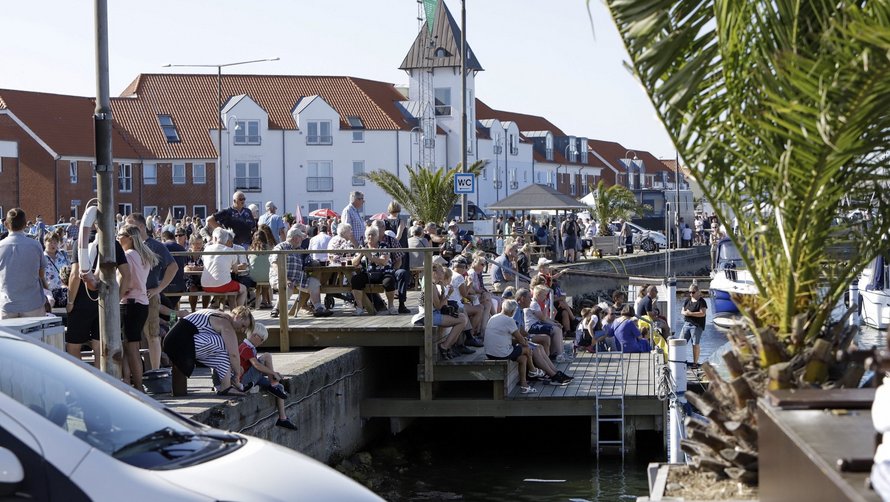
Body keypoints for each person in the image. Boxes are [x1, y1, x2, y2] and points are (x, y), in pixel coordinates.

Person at [65, 227, 131, 366]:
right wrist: (117, 298)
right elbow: (127, 275)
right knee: (99, 346)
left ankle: (79, 381)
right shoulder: (114, 244)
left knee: (74, 345)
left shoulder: (80, 243)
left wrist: (70, 301)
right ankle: (99, 381)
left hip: (81, 300)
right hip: (105, 300)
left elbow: (75, 275)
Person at [126, 213, 179, 371]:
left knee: (153, 334)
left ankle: (155, 371)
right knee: (133, 337)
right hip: (130, 296)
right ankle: (139, 371)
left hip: (149, 294)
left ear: (141, 227)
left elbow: (173, 266)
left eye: (131, 225)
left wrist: (159, 288)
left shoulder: (155, 245)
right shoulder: (128, 244)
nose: (127, 229)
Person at [163, 306, 254, 396]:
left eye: (244, 329)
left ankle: (225, 387)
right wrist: (237, 374)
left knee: (223, 350)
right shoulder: (225, 323)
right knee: (225, 345)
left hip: (174, 342)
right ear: (237, 316)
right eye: (243, 326)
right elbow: (233, 354)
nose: (242, 330)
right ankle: (229, 386)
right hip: (179, 342)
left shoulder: (219, 314)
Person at [117, 223, 160, 391]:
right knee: (130, 345)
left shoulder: (128, 255)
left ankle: (137, 385)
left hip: (130, 302)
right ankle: (130, 381)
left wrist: (117, 296)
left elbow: (125, 280)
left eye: (120, 235)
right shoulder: (143, 256)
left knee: (131, 347)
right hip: (141, 303)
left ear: (129, 238)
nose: (117, 238)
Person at [239, 324, 297, 430]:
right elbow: (257, 365)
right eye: (261, 340)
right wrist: (272, 373)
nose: (262, 343)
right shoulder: (245, 347)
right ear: (255, 336)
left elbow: (257, 369)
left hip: (252, 377)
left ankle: (282, 418)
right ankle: (273, 384)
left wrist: (273, 373)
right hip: (244, 380)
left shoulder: (251, 348)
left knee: (280, 388)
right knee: (267, 356)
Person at [512, 288, 573, 384]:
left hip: (519, 339)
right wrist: (526, 340)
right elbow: (513, 332)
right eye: (529, 297)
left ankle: (556, 373)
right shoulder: (515, 310)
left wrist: (527, 336)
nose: (531, 299)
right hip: (512, 343)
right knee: (536, 348)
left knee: (539, 347)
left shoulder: (519, 310)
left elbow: (521, 330)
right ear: (522, 299)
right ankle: (553, 376)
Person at [269, 227, 332, 318]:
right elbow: (274, 263)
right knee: (288, 286)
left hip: (298, 279)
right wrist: (285, 279)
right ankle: (276, 309)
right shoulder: (281, 247)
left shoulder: (301, 250)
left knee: (314, 283)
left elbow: (311, 262)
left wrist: (317, 262)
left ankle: (318, 308)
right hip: (280, 277)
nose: (302, 239)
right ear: (295, 238)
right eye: (301, 237)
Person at [410, 263, 469, 359]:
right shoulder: (430, 286)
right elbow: (438, 306)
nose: (443, 272)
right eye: (441, 271)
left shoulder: (434, 284)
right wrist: (448, 295)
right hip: (426, 316)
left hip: (433, 313)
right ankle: (445, 346)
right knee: (462, 320)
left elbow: (440, 304)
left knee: (462, 317)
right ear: (434, 273)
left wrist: (442, 289)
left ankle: (448, 346)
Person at [0, 208, 48, 319]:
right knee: (34, 336)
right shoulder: (35, 245)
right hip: (33, 303)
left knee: (7, 337)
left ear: (6, 224)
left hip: (7, 304)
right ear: (25, 224)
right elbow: (41, 274)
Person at [483, 299, 538, 394]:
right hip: (501, 353)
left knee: (523, 359)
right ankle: (533, 370)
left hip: (489, 353)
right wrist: (525, 341)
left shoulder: (493, 317)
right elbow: (521, 340)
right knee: (527, 349)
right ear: (512, 311)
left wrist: (519, 341)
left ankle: (524, 386)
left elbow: (503, 338)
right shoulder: (509, 320)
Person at [350, 226, 398, 315]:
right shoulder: (363, 247)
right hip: (368, 273)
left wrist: (370, 256)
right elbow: (354, 263)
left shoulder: (383, 246)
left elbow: (383, 262)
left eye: (373, 235)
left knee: (389, 281)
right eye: (368, 235)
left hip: (383, 272)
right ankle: (359, 308)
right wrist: (361, 254)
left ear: (377, 236)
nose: (370, 237)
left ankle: (391, 306)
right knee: (355, 280)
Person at [202, 227, 248, 308]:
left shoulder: (207, 249)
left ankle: (213, 307)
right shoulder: (230, 251)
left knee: (224, 284)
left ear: (215, 238)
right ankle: (237, 312)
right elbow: (235, 270)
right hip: (223, 285)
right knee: (243, 289)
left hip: (205, 286)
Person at [524, 285, 566, 362]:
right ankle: (559, 354)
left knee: (557, 328)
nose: (545, 297)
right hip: (531, 327)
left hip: (537, 324)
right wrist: (546, 306)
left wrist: (554, 322)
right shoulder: (533, 304)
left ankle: (559, 353)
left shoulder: (536, 303)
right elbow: (543, 318)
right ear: (538, 294)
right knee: (555, 330)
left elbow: (545, 318)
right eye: (544, 295)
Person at [680, 284, 708, 368]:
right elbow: (682, 311)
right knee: (681, 341)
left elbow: (702, 313)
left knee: (695, 344)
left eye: (693, 292)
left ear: (697, 292)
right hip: (687, 323)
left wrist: (690, 313)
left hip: (696, 325)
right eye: (690, 292)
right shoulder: (688, 300)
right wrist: (686, 313)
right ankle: (680, 360)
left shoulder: (701, 301)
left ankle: (695, 363)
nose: (691, 294)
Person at [43, 233, 70, 308]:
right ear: (45, 243)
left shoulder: (63, 255)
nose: (53, 245)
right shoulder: (41, 258)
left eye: (55, 242)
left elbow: (70, 270)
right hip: (49, 294)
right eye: (50, 242)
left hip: (64, 292)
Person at [248, 229, 273, 309]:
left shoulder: (251, 249)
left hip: (253, 276)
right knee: (266, 276)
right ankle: (264, 300)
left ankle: (257, 299)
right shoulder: (270, 247)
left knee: (260, 276)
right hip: (267, 276)